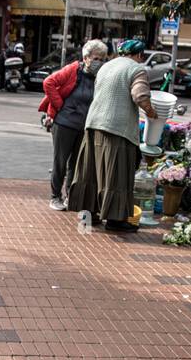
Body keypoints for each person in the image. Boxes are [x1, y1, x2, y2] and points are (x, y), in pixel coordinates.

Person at [67, 38, 156, 233]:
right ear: (140, 55)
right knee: (116, 173)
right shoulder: (136, 69)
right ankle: (116, 220)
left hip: (93, 124)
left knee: (91, 171)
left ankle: (89, 215)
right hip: (117, 128)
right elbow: (140, 95)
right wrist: (152, 112)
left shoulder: (106, 67)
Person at [39, 40, 108, 211]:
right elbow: (48, 83)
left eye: (102, 59)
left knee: (77, 165)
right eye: (96, 58)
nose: (99, 62)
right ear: (86, 58)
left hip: (84, 127)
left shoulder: (100, 77)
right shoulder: (73, 70)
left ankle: (71, 196)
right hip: (64, 123)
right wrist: (59, 105)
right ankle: (55, 197)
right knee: (60, 162)